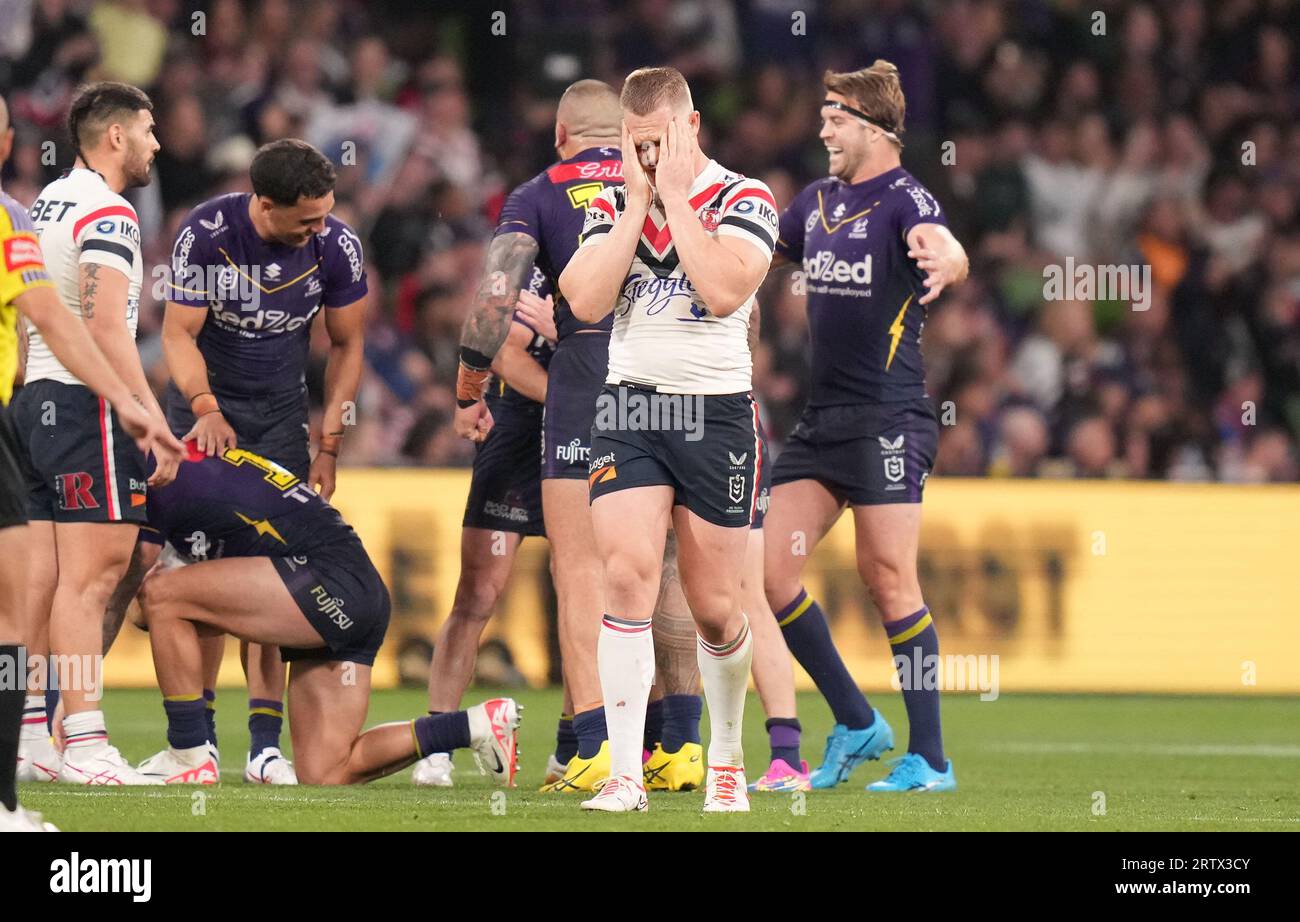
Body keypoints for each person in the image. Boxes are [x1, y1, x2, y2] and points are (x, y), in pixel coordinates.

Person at [560, 66, 779, 812]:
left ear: (690, 129)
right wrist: (637, 205)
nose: (647, 158)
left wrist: (676, 200)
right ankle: (625, 774)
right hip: (630, 409)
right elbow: (585, 300)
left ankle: (725, 754)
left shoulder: (745, 198)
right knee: (626, 577)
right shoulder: (608, 205)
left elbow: (722, 290)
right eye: (636, 144)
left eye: (659, 143)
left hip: (715, 414)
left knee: (717, 604)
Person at [764, 61, 968, 792]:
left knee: (889, 582)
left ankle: (932, 760)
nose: (822, 128)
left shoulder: (905, 197)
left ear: (876, 129)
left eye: (836, 117)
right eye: (823, 114)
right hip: (822, 425)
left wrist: (950, 259)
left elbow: (944, 244)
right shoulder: (814, 203)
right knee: (772, 574)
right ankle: (856, 720)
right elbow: (757, 256)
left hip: (889, 420)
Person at [160, 138, 369, 783]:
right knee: (193, 565)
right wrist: (204, 406)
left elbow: (348, 344)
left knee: (269, 574)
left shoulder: (336, 246)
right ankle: (194, 743)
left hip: (280, 423)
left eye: (326, 214)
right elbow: (176, 332)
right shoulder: (205, 234)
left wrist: (328, 443)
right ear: (266, 204)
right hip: (201, 419)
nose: (319, 228)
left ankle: (264, 747)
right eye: (306, 218)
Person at [0, 92, 182, 830]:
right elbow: (107, 327)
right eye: (147, 129)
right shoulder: (109, 213)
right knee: (91, 579)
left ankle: (36, 739)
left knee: (36, 589)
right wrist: (144, 414)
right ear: (114, 136)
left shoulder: (41, 203)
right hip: (84, 406)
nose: (157, 145)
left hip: (28, 407)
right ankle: (86, 739)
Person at [132, 443, 520, 787]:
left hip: (323, 579)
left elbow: (133, 591)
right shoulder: (198, 463)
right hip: (354, 591)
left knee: (162, 595)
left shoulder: (154, 471)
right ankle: (474, 725)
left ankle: (188, 753)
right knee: (325, 772)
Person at [453, 80, 626, 791]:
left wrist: (470, 382)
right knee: (662, 579)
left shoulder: (537, 193)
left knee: (579, 571)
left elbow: (497, 296)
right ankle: (677, 741)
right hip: (680, 392)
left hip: (584, 392)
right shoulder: (670, 183)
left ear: (561, 133)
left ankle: (591, 747)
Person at [412, 285, 552, 787]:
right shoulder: (536, 269)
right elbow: (504, 349)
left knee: (589, 592)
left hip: (586, 436)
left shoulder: (619, 257)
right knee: (476, 594)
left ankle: (578, 748)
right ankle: (437, 744)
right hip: (516, 437)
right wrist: (576, 390)